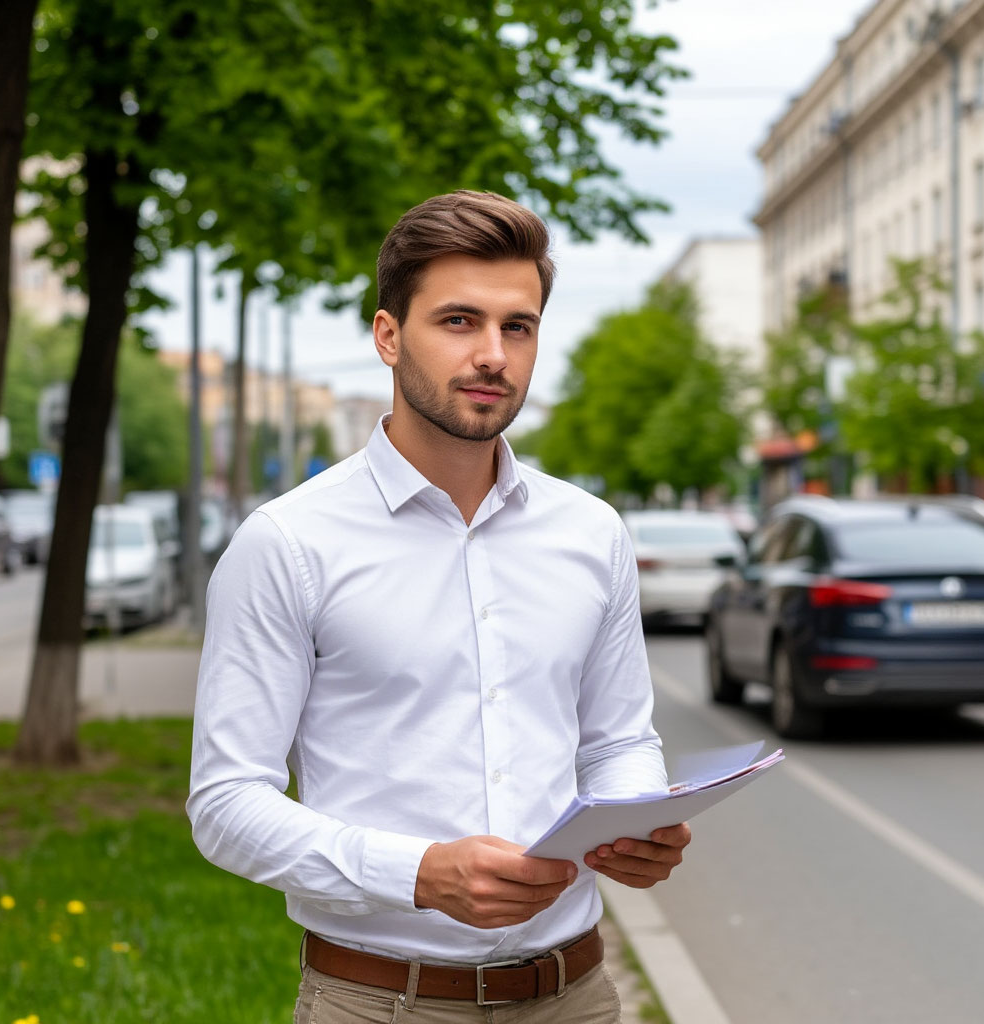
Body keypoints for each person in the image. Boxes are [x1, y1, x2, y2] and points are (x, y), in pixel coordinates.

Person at [187, 190, 691, 1022]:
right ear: (388, 336)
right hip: (382, 1000)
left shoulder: (591, 533)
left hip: (579, 996)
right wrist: (418, 873)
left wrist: (633, 819)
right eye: (459, 321)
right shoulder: (289, 543)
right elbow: (226, 804)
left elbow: (619, 740)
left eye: (517, 327)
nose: (493, 354)